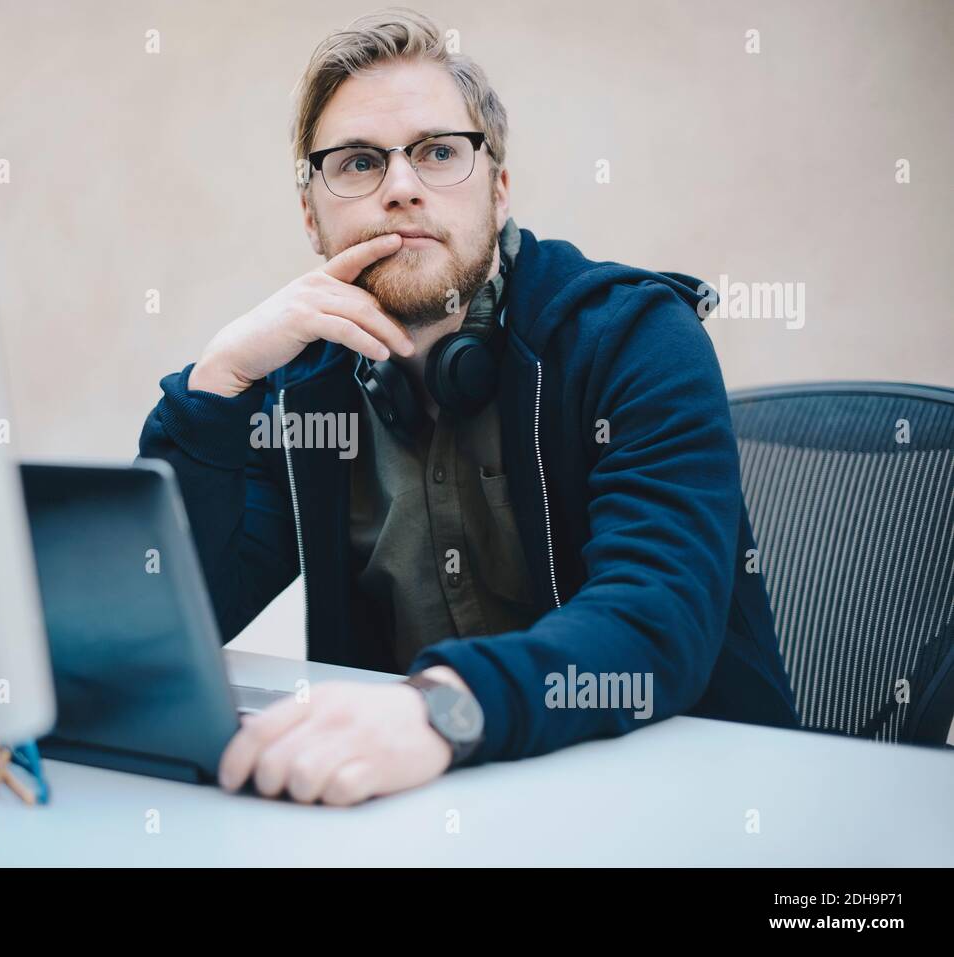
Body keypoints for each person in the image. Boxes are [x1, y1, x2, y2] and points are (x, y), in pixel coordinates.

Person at [138, 8, 798, 806]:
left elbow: (653, 618)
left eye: (439, 153)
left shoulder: (636, 340)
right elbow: (168, 623)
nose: (402, 187)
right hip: (429, 814)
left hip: (684, 804)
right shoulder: (305, 389)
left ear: (499, 187)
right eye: (356, 164)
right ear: (311, 217)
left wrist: (441, 711)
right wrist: (217, 382)